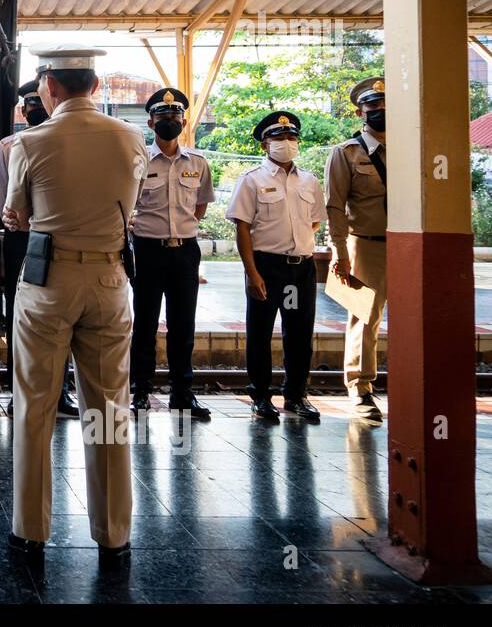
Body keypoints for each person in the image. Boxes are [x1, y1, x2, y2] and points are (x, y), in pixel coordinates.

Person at [3, 46, 146, 569]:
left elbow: (16, 214)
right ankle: (113, 535)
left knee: (35, 403)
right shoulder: (132, 138)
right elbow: (127, 209)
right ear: (95, 83)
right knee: (109, 409)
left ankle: (31, 530)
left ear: (51, 88)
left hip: (49, 282)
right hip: (110, 280)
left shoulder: (31, 141)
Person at [0, 79, 77, 420]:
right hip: (23, 238)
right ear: (23, 111)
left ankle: (62, 392)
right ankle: (17, 393)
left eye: (40, 104)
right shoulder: (8, 146)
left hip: (57, 236)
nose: (36, 111)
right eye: (30, 107)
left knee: (61, 313)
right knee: (20, 316)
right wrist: (19, 224)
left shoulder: (68, 143)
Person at [227, 111, 327, 424]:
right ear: (264, 144)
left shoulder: (309, 181)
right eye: (278, 137)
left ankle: (296, 395)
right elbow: (242, 228)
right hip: (267, 267)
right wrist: (252, 272)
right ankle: (260, 396)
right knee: (260, 332)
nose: (286, 143)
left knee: (299, 332)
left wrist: (297, 244)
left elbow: (314, 221)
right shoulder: (253, 179)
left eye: (291, 137)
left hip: (300, 269)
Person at [129, 88, 214, 420]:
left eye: (175, 116)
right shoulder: (138, 163)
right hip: (148, 251)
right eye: (163, 117)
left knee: (183, 325)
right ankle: (140, 391)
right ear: (151, 122)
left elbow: (201, 207)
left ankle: (183, 393)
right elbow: (128, 204)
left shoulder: (198, 163)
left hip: (184, 253)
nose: (170, 122)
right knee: (145, 324)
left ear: (184, 120)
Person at [325, 77, 387, 423]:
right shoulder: (345, 153)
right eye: (372, 105)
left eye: (384, 104)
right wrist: (340, 251)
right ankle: (360, 388)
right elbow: (334, 206)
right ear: (359, 111)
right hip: (365, 245)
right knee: (364, 319)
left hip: (406, 246)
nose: (379, 110)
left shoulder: (410, 148)